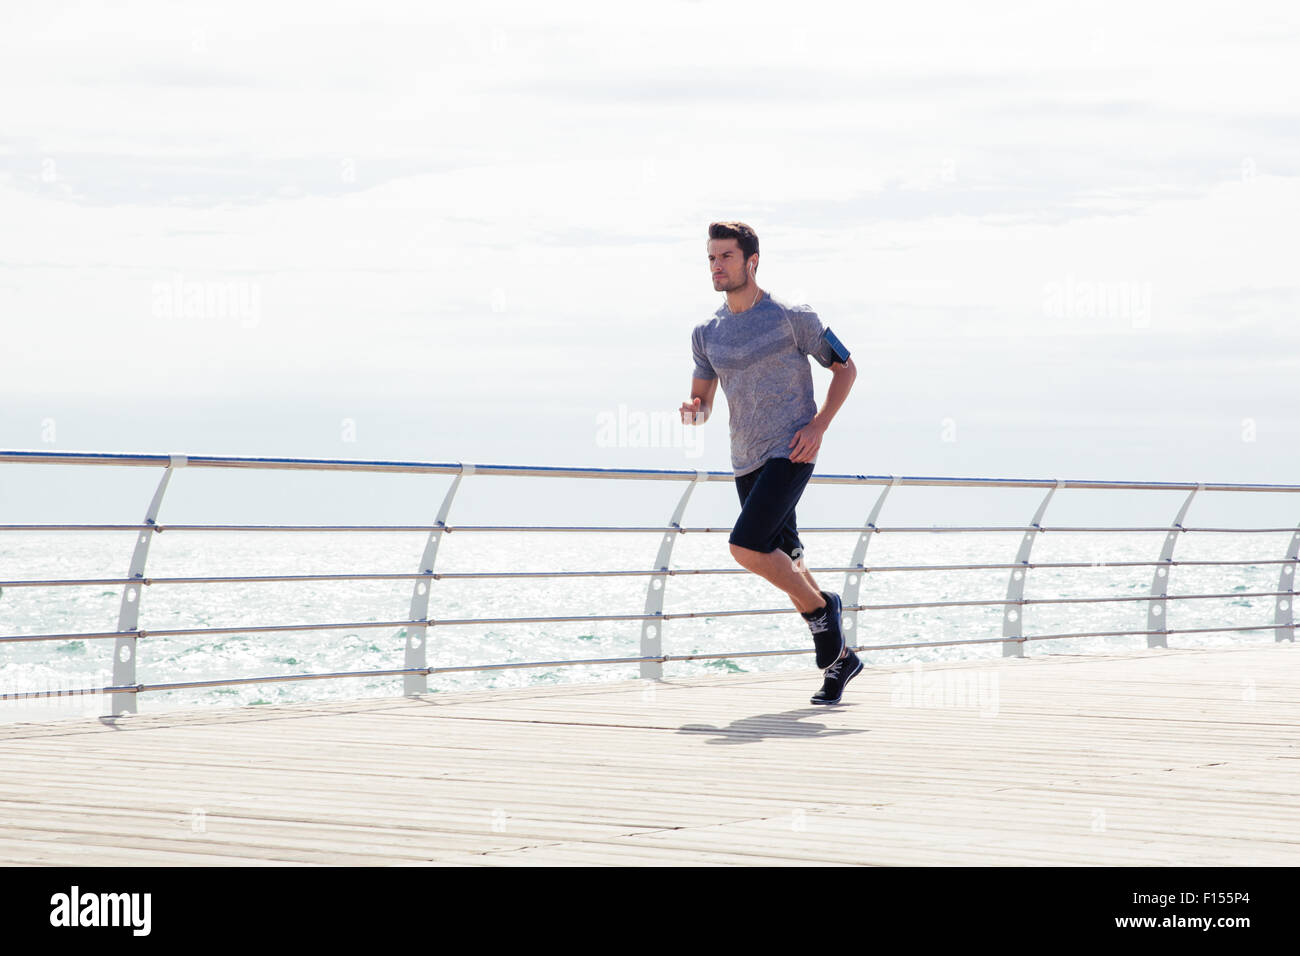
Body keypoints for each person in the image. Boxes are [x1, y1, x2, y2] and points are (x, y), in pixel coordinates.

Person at [680, 221, 861, 705]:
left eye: (726, 257)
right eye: (712, 258)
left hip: (793, 448)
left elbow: (846, 367)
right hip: (746, 459)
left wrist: (819, 425)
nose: (717, 267)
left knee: (746, 545)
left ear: (751, 261)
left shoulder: (791, 317)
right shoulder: (706, 333)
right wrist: (693, 413)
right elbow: (702, 403)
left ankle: (824, 613)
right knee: (790, 559)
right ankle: (841, 661)